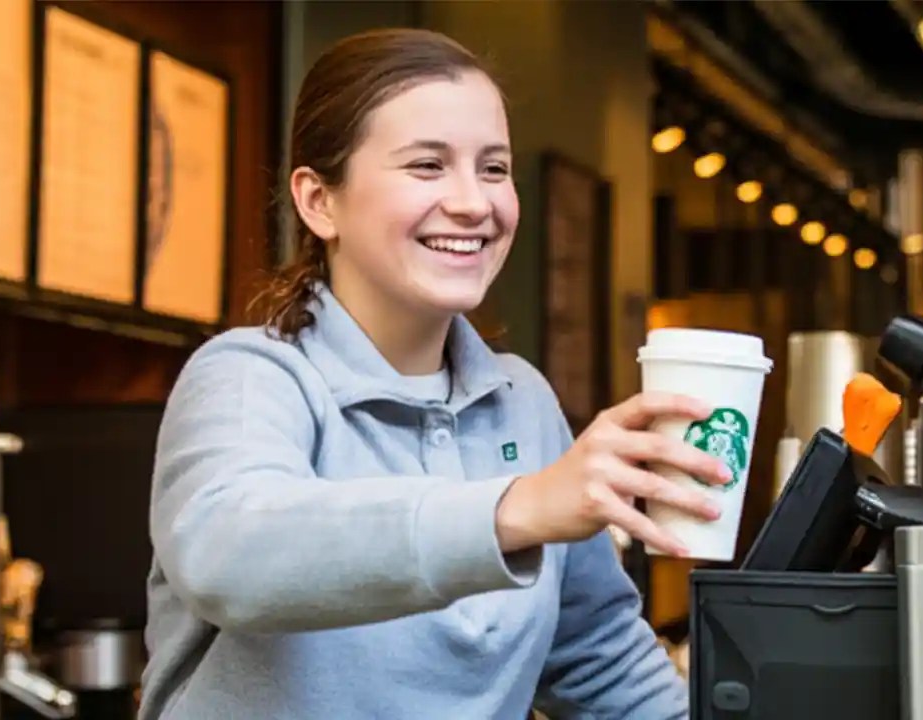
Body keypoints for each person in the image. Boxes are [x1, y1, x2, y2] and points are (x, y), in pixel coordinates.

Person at [139, 28, 730, 720]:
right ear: (317, 200)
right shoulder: (250, 377)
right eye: (426, 166)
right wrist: (514, 509)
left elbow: (597, 653)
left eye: (493, 168)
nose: (474, 203)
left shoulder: (522, 402)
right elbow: (230, 552)